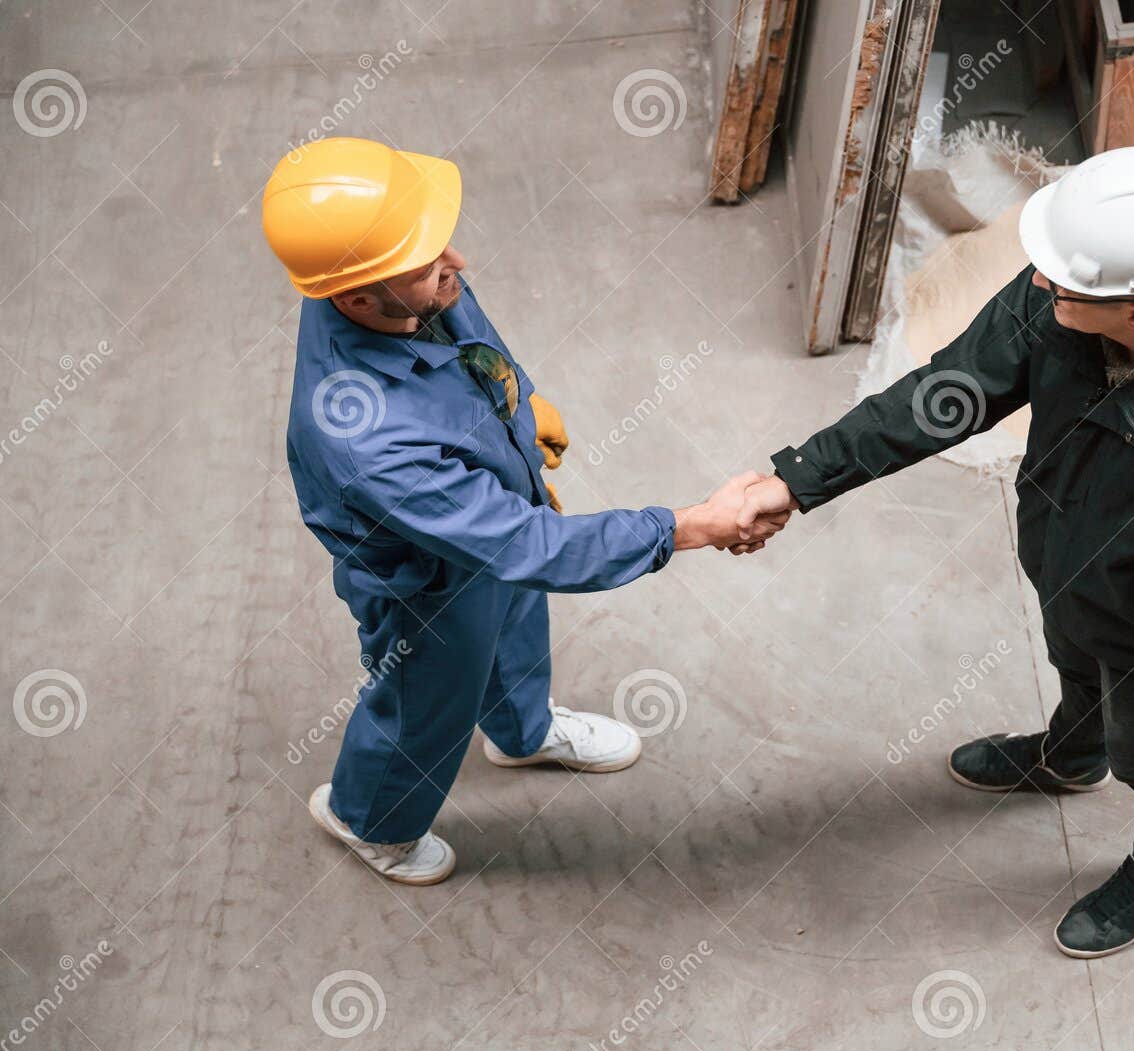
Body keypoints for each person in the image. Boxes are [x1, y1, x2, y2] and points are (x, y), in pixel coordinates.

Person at [738, 147, 1134, 958]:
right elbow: (941, 394)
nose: (1036, 282)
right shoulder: (1062, 303)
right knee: (1074, 669)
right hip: (1070, 571)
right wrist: (798, 479)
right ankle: (1070, 756)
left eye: (1061, 281)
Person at [262, 138, 785, 886]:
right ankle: (371, 819)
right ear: (355, 299)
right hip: (425, 584)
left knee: (514, 625)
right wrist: (691, 524)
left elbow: (475, 337)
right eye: (430, 263)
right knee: (426, 698)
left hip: (480, 515)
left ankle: (521, 729)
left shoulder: (406, 281)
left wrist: (518, 402)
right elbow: (534, 547)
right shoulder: (367, 439)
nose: (458, 264)